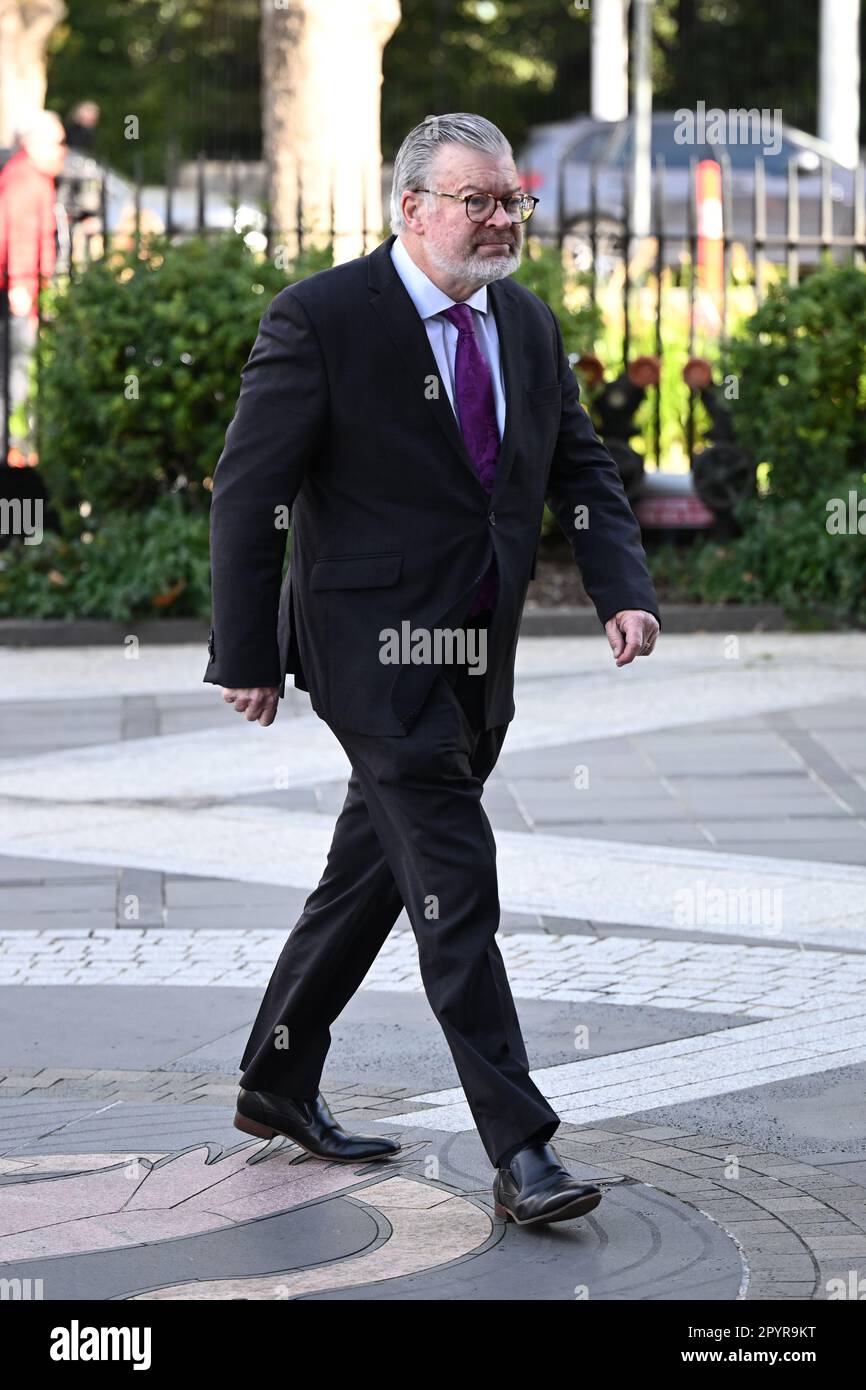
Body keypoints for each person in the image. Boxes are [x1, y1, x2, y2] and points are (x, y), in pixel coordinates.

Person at [204, 113, 661, 1228]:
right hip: (372, 657)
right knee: (455, 886)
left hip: (473, 656)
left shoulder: (527, 325)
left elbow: (579, 467)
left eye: (513, 201)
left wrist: (622, 586)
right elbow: (246, 491)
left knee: (365, 875)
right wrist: (248, 652)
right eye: (479, 200)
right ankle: (524, 1149)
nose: (502, 219)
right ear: (410, 207)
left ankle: (274, 1073)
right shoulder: (320, 319)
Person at [0, 109, 66, 464]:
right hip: (18, 290)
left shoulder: (28, 175)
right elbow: (20, 233)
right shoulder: (27, 178)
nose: (63, 151)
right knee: (16, 370)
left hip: (19, 286)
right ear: (33, 143)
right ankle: (13, 447)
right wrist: (22, 286)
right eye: (57, 142)